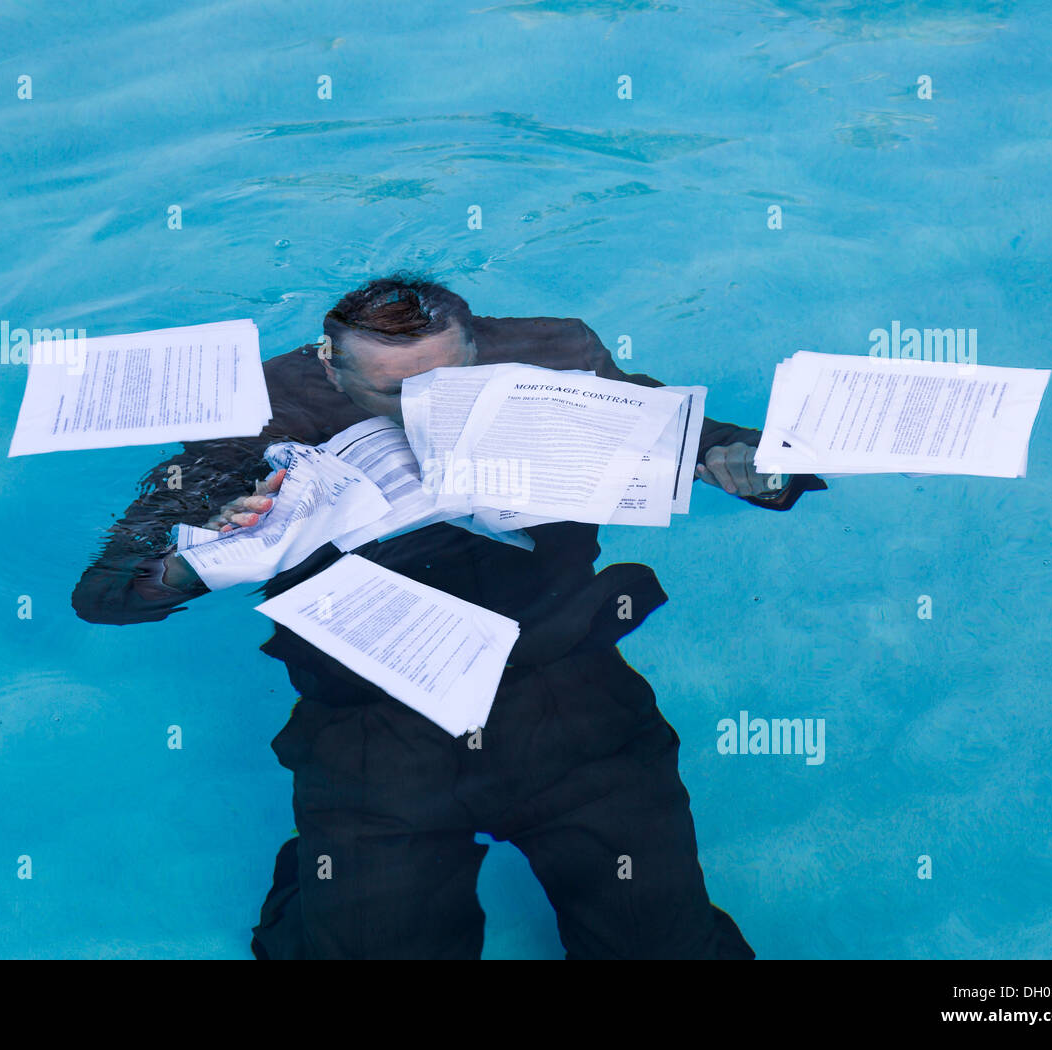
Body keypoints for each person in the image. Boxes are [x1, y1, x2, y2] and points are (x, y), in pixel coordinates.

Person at [72, 275, 826, 959]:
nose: (427, 411)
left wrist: (754, 469)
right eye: (395, 394)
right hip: (372, 721)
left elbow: (705, 440)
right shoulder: (266, 414)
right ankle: (313, 884)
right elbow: (106, 594)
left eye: (450, 383)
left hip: (566, 693)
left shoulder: (552, 354)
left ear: (478, 348)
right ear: (332, 369)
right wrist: (197, 554)